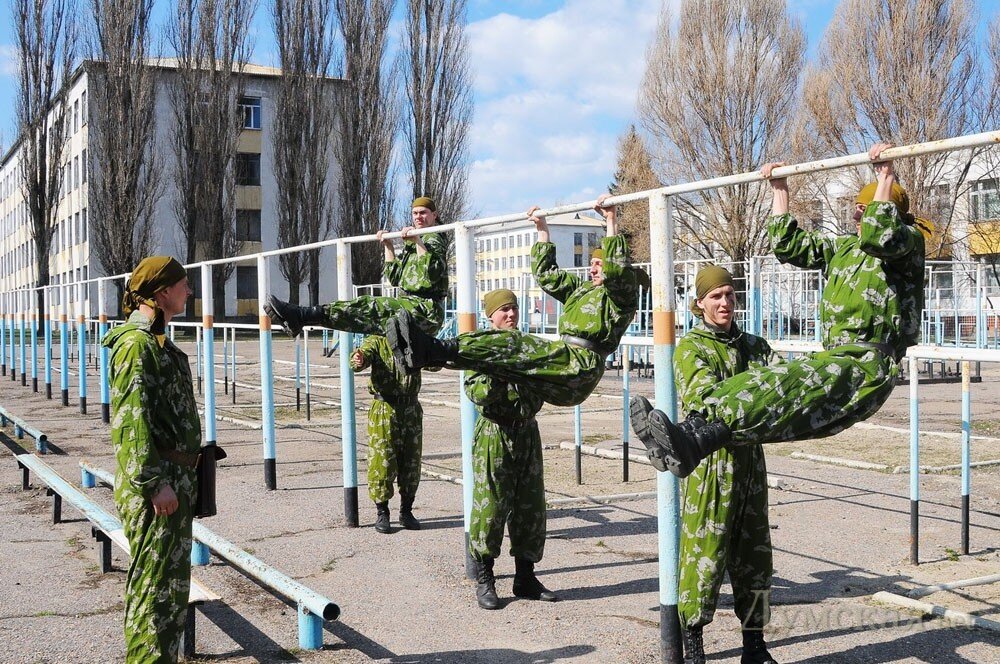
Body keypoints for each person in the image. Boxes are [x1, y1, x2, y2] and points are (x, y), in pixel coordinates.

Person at [631, 142, 925, 479]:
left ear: (891, 211)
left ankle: (695, 439)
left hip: (868, 365)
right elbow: (788, 245)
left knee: (783, 385)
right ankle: (695, 435)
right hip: (836, 358)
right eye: (856, 210)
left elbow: (880, 235)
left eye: (865, 209)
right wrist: (780, 191)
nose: (858, 217)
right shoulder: (843, 248)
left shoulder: (908, 244)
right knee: (767, 383)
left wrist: (885, 175)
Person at [386, 194, 647, 407]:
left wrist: (611, 221)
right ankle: (430, 354)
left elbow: (618, 271)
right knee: (495, 356)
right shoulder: (581, 290)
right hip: (561, 366)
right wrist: (543, 230)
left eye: (598, 264)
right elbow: (547, 275)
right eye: (591, 263)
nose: (592, 270)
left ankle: (432, 350)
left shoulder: (620, 297)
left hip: (579, 367)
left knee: (513, 342)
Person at [672, 265, 778, 664]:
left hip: (750, 462)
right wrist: (757, 396)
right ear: (699, 303)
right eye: (716, 296)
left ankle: (755, 644)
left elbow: (781, 390)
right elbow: (707, 398)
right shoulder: (692, 349)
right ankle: (695, 645)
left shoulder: (755, 346)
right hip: (711, 468)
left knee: (756, 556)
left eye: (730, 295)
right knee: (705, 554)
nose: (725, 303)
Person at [104, 257, 201, 663]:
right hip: (158, 488)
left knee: (169, 595)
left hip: (173, 482)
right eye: (183, 285)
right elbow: (130, 421)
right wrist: (153, 482)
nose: (189, 291)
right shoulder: (136, 344)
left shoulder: (156, 341)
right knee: (154, 597)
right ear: (162, 293)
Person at [466, 289, 556, 610]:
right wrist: (501, 369)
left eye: (514, 309)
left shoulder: (528, 347)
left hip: (527, 431)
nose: (511, 315)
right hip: (495, 433)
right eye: (504, 310)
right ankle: (485, 578)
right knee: (490, 506)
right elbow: (477, 393)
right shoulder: (480, 349)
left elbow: (542, 387)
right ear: (490, 316)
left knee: (530, 505)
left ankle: (525, 578)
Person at [265, 196, 449, 337]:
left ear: (435, 215)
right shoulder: (415, 241)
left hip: (426, 310)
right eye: (415, 213)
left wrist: (417, 240)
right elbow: (394, 279)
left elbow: (429, 276)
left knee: (370, 306)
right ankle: (302, 318)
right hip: (410, 306)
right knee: (361, 315)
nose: (419, 217)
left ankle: (302, 315)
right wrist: (388, 246)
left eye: (423, 212)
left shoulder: (433, 237)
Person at [350, 335, 423, 533]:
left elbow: (434, 363)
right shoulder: (377, 341)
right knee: (382, 460)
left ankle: (406, 511)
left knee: (411, 462)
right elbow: (360, 359)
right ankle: (382, 512)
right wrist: (359, 358)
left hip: (411, 408)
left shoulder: (413, 339)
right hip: (384, 408)